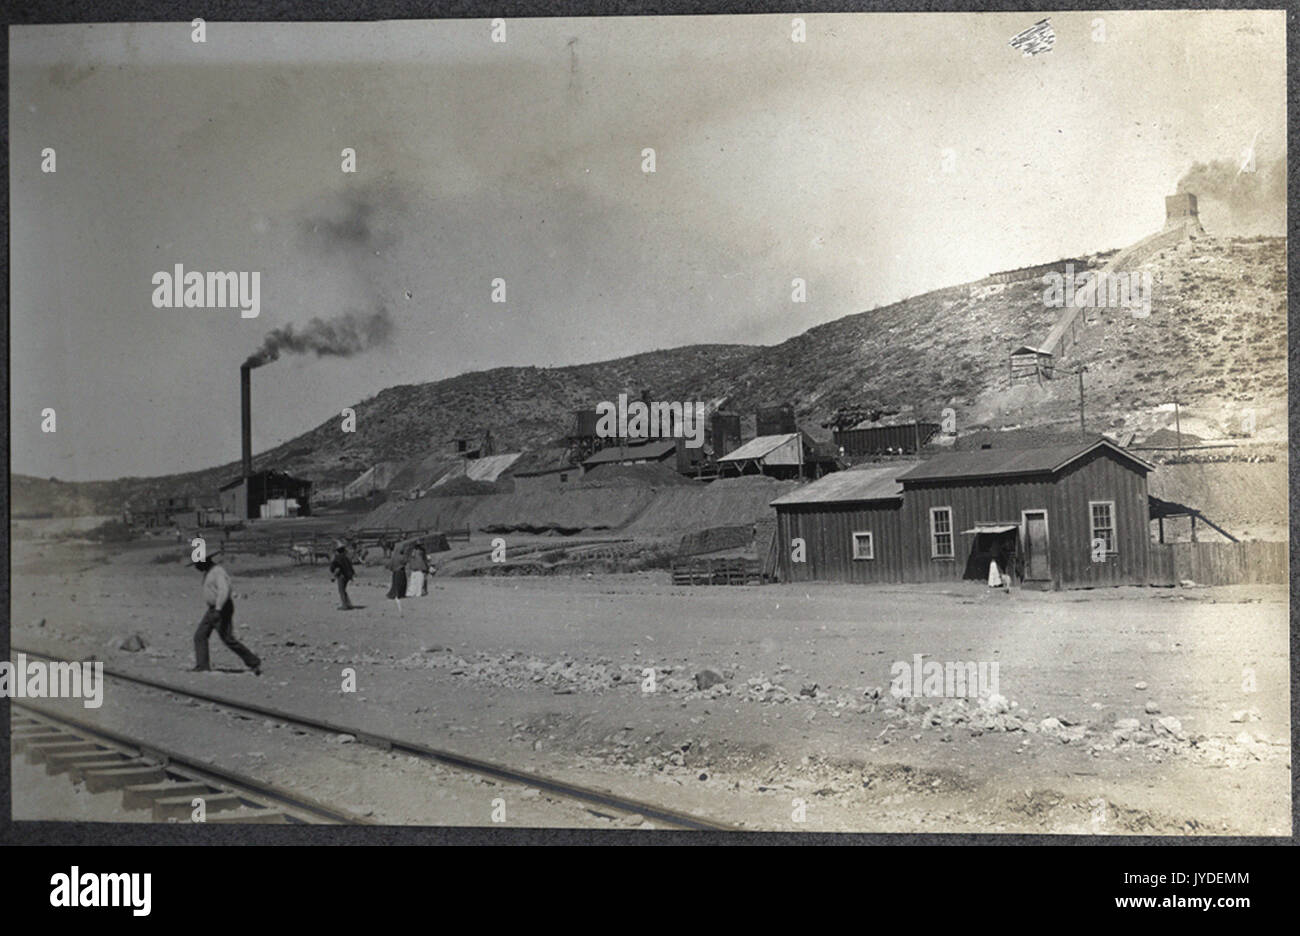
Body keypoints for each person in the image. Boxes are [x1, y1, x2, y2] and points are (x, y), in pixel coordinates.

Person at [192, 554, 261, 674]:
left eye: (198, 564)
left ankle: (253, 661)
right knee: (200, 635)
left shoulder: (218, 572)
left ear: (205, 561)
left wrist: (218, 609)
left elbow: (224, 590)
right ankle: (202, 666)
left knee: (227, 638)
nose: (196, 567)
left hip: (222, 608)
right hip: (212, 609)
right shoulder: (209, 572)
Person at [330, 542, 356, 610]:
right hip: (347, 575)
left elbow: (337, 568)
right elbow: (350, 567)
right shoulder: (346, 557)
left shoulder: (337, 558)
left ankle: (344, 605)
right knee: (344, 590)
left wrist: (334, 576)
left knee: (341, 590)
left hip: (341, 575)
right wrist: (351, 576)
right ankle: (348, 604)